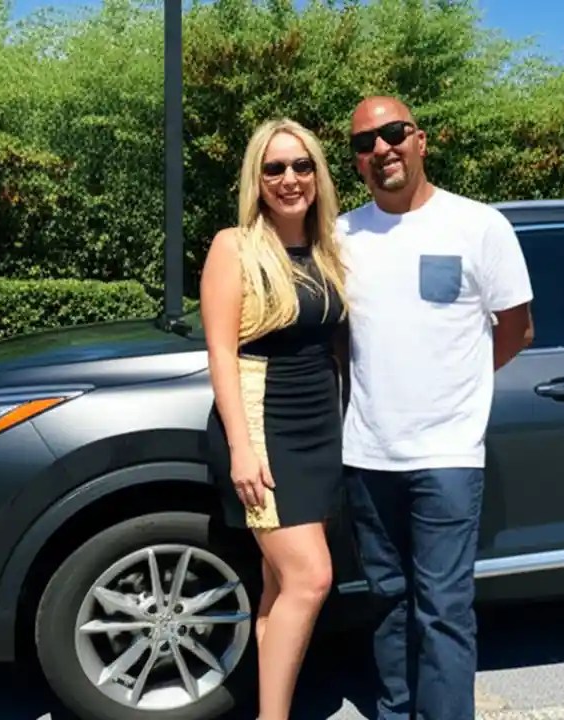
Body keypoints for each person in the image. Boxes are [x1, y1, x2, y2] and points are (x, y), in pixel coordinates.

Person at [336, 96, 534, 719]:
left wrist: (459, 381)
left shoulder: (478, 226)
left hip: (447, 455)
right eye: (364, 143)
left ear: (420, 140)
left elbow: (517, 329)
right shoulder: (341, 235)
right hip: (366, 453)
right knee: (388, 600)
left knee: (443, 608)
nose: (380, 149)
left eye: (392, 133)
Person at [199, 117, 348, 720]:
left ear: (318, 173)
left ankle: (271, 706)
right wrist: (241, 447)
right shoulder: (233, 246)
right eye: (275, 168)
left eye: (301, 166)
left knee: (279, 587)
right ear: (256, 179)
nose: (290, 179)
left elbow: (336, 344)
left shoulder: (329, 249)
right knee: (311, 578)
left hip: (318, 427)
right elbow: (220, 352)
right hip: (263, 426)